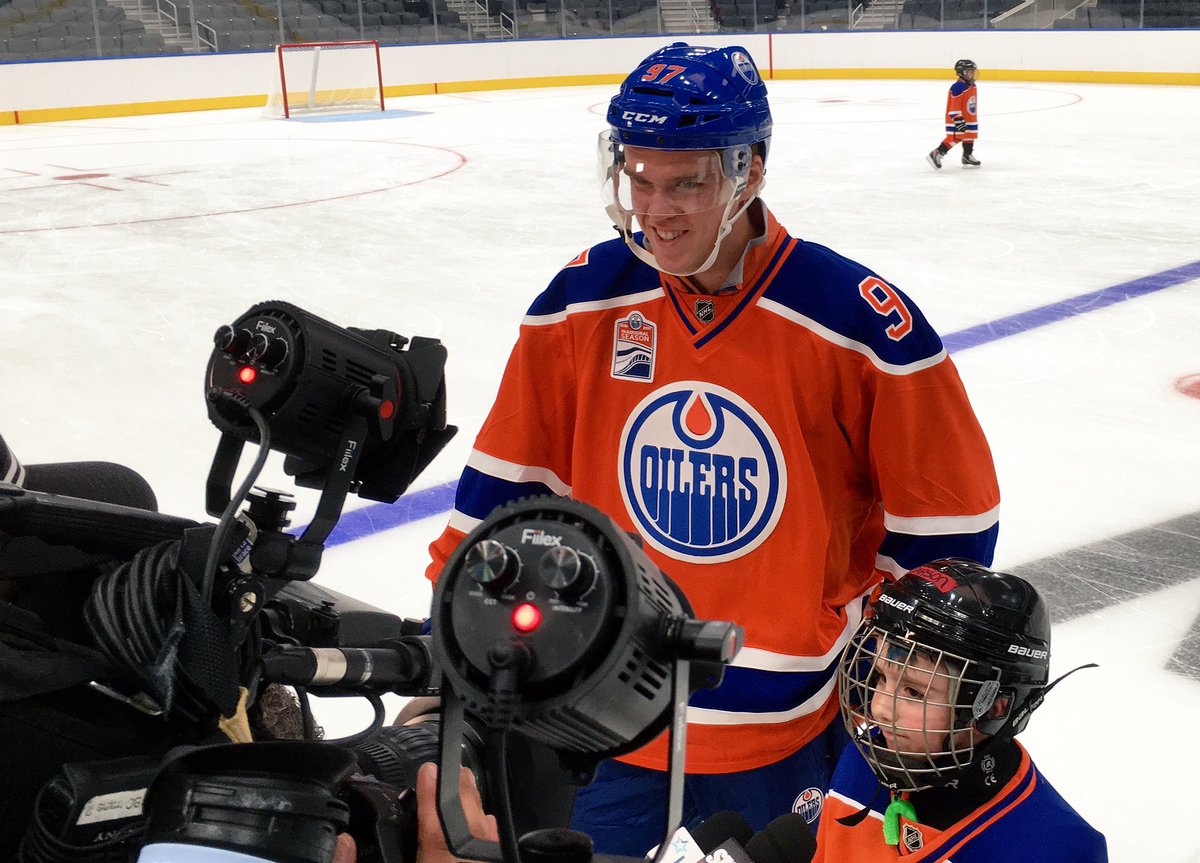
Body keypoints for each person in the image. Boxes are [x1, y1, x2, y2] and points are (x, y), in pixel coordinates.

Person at [423, 42, 1001, 856]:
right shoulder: (582, 299)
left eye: (686, 182)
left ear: (750, 170)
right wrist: (451, 651)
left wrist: (894, 699)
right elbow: (505, 488)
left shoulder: (855, 323)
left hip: (793, 736)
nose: (656, 211)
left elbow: (950, 529)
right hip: (605, 720)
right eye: (640, 179)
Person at [815, 559, 1107, 861]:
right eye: (880, 677)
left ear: (995, 708)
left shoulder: (1058, 850)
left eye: (914, 692)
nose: (879, 709)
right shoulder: (860, 764)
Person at [927, 59, 981, 170]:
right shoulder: (957, 87)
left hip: (970, 117)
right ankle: (937, 153)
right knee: (955, 137)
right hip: (957, 118)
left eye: (973, 71)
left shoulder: (972, 85)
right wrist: (957, 119)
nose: (973, 73)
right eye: (971, 71)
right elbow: (954, 105)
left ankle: (967, 156)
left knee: (970, 135)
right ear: (963, 72)